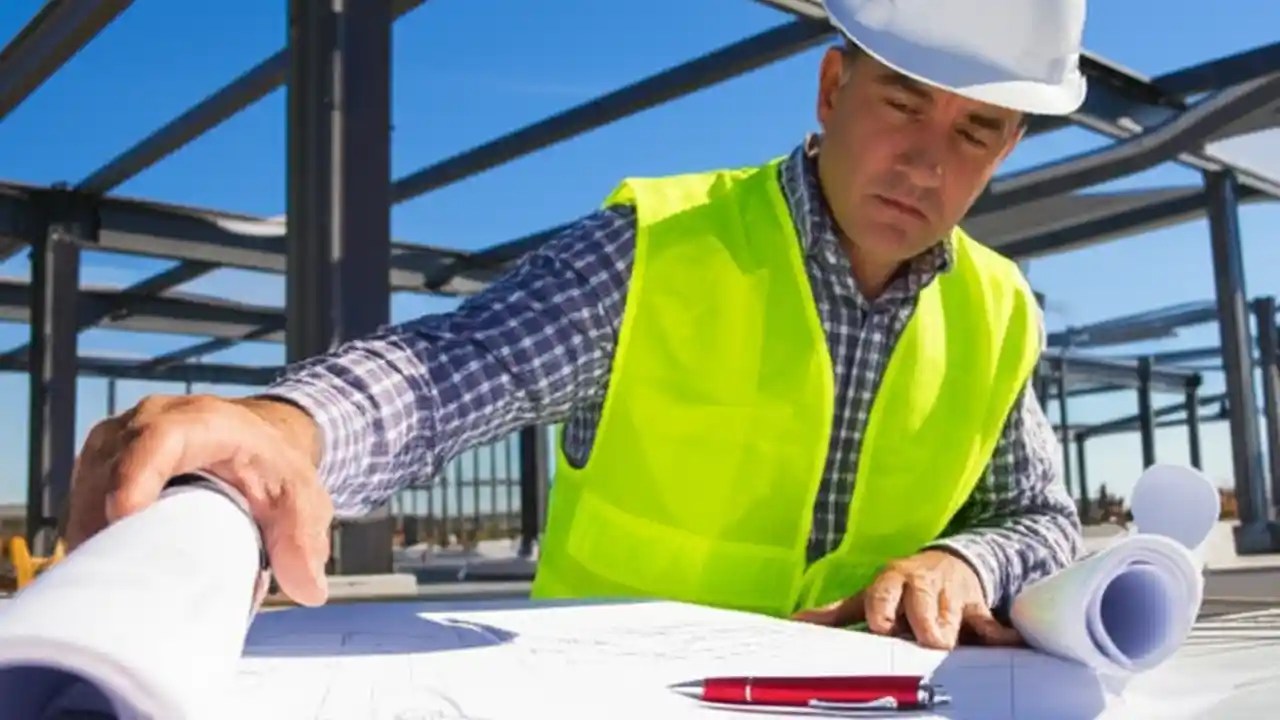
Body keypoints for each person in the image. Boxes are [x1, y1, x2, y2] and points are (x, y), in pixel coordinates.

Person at [66, 0, 1088, 652]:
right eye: (902, 104)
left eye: (975, 130)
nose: (925, 162)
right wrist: (286, 433)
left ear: (1004, 148)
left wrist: (958, 566)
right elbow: (446, 375)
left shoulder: (996, 313)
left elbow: (1039, 519)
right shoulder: (660, 248)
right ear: (831, 87)